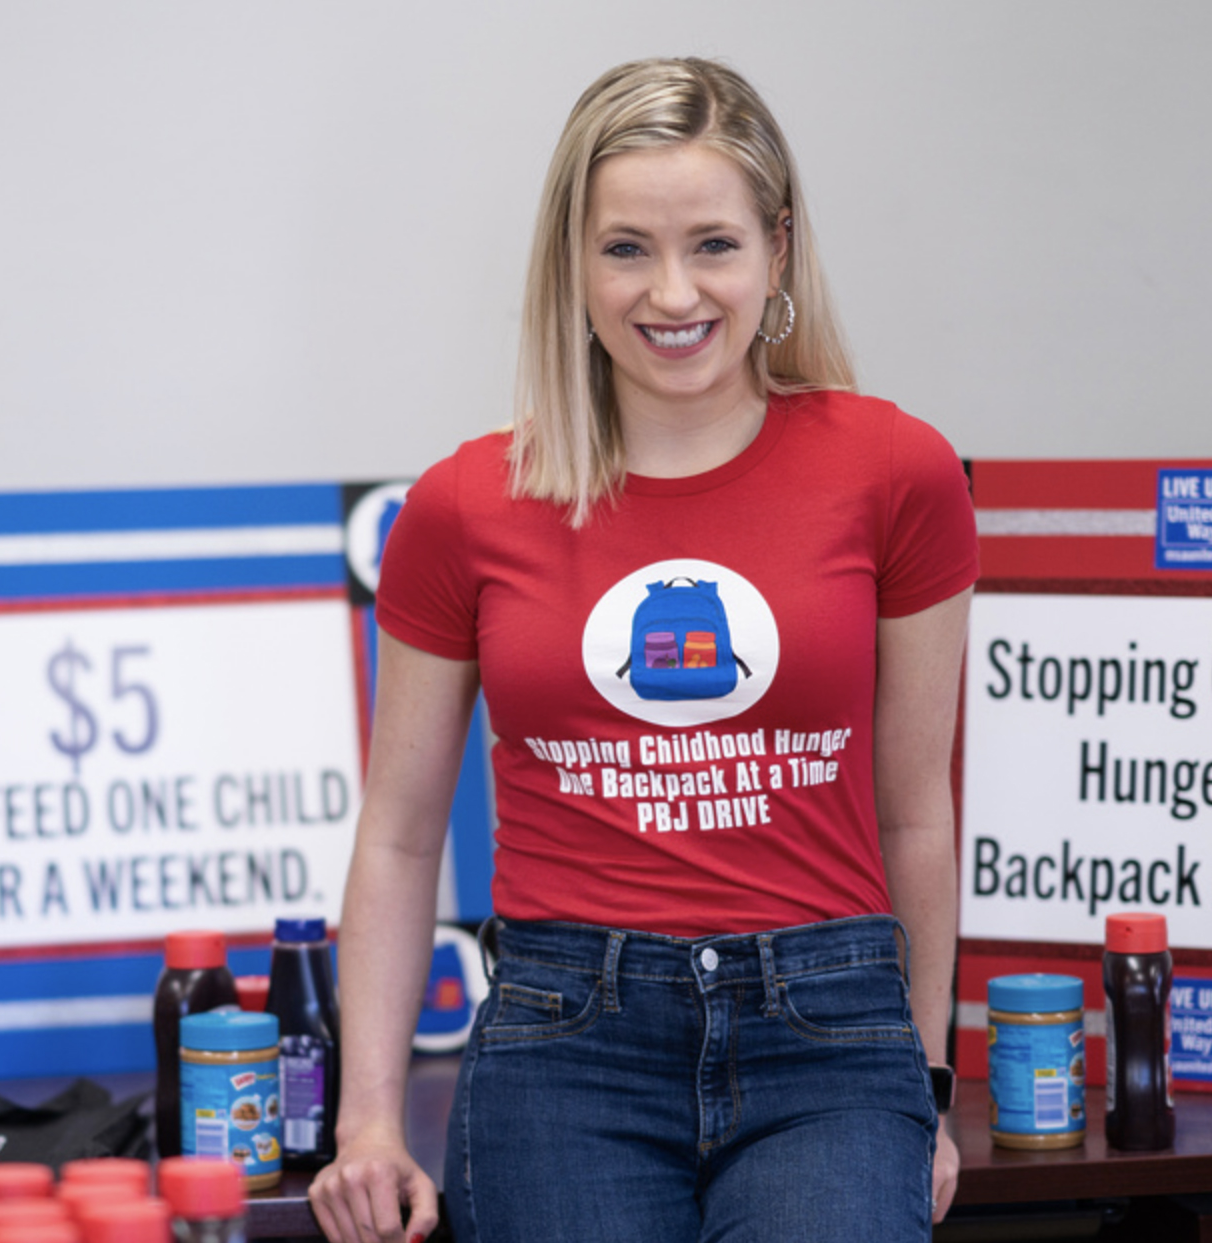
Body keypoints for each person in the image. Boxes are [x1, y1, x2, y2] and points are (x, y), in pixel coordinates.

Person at [308, 57, 976, 1243]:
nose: (671, 291)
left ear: (776, 249)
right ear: (570, 261)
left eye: (711, 243)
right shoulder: (465, 504)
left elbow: (915, 811)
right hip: (565, 1047)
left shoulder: (895, 472)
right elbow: (401, 832)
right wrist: (366, 1120)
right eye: (625, 248)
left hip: (827, 1039)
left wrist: (920, 1087)